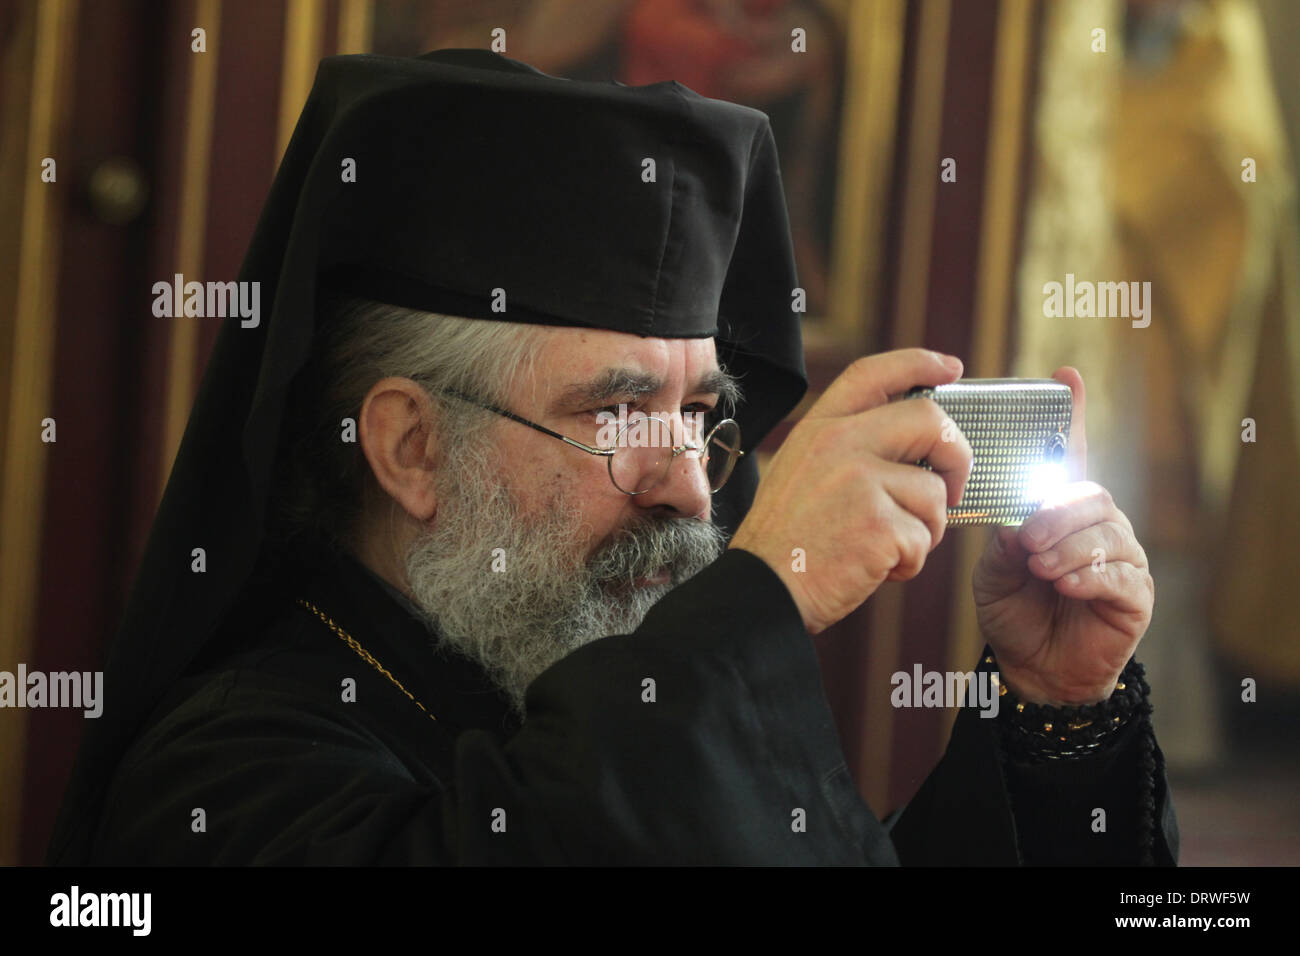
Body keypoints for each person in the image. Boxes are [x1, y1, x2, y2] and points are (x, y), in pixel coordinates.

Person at [48, 49, 1176, 865]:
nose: (691, 485)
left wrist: (1051, 718)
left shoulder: (602, 663)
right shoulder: (228, 773)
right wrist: (766, 589)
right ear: (409, 445)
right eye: (622, 412)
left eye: (702, 413)